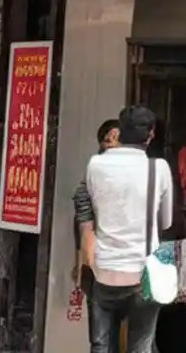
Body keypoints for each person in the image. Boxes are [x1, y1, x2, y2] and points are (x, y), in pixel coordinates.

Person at [86, 105, 173, 353]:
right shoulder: (160, 169)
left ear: (119, 132)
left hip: (105, 270)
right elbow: (165, 222)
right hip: (142, 272)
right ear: (151, 135)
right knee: (140, 346)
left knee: (101, 345)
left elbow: (96, 209)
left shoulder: (95, 165)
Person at [73, 119, 122, 351]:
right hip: (100, 266)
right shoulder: (90, 181)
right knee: (102, 338)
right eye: (108, 140)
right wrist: (83, 263)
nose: (112, 145)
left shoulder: (135, 176)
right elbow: (84, 226)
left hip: (128, 264)